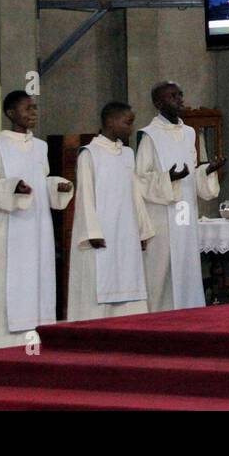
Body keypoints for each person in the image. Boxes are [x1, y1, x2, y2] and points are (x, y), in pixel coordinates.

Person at [0, 91, 74, 350]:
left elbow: (42, 181)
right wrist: (12, 188)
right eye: (26, 108)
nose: (33, 113)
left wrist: (56, 186)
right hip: (9, 231)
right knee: (9, 288)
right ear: (10, 113)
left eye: (34, 108)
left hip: (37, 228)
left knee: (37, 284)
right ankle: (1, 346)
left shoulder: (41, 147)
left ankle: (37, 344)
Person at [136, 81, 226, 312]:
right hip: (161, 214)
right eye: (172, 96)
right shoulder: (149, 136)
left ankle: (188, 311)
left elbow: (193, 172)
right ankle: (157, 314)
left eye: (180, 95)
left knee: (186, 262)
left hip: (185, 210)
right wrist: (168, 178)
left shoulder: (188, 133)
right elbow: (140, 179)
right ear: (158, 103)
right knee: (161, 268)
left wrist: (206, 171)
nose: (179, 99)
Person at [68, 102, 153, 321]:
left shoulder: (127, 154)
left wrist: (142, 230)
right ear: (110, 122)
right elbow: (85, 195)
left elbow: (135, 193)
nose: (131, 128)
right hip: (101, 233)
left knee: (128, 280)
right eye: (128, 122)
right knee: (101, 282)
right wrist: (92, 232)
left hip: (126, 233)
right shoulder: (89, 153)